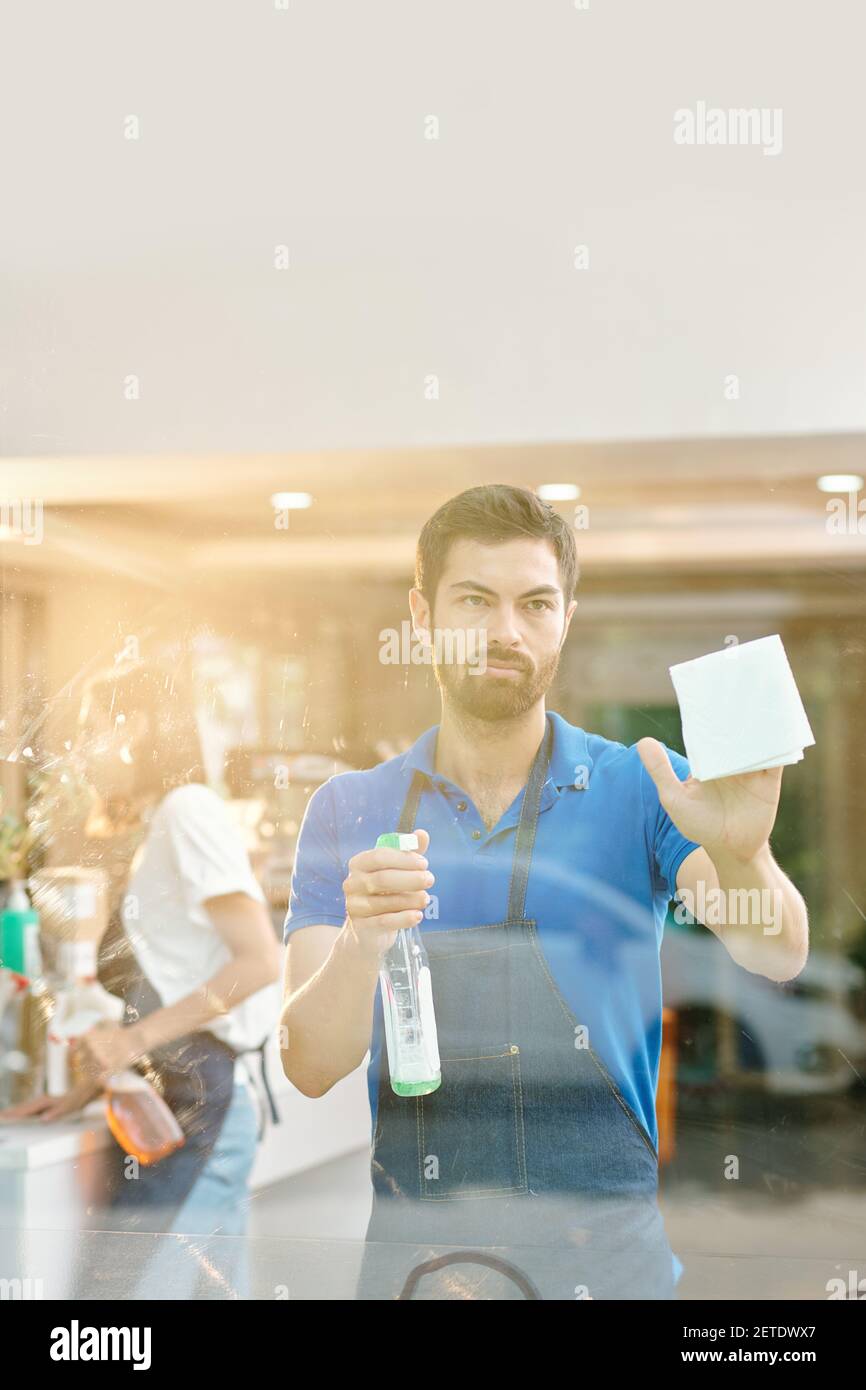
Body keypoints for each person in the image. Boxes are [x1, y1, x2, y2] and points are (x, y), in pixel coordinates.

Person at [280, 483, 809, 1301]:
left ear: (568, 617)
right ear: (421, 615)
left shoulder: (641, 785)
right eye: (474, 600)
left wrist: (744, 852)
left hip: (607, 1274)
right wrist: (359, 941)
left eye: (535, 604)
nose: (505, 631)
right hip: (419, 1272)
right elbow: (311, 1065)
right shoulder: (351, 808)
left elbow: (776, 948)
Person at [1, 659, 282, 1298]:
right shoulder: (164, 823)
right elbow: (178, 978)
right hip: (183, 1102)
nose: (81, 751)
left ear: (138, 727)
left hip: (201, 1109)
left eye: (91, 730)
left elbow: (259, 961)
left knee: (115, 1322)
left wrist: (129, 1044)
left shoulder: (188, 809)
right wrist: (88, 1088)